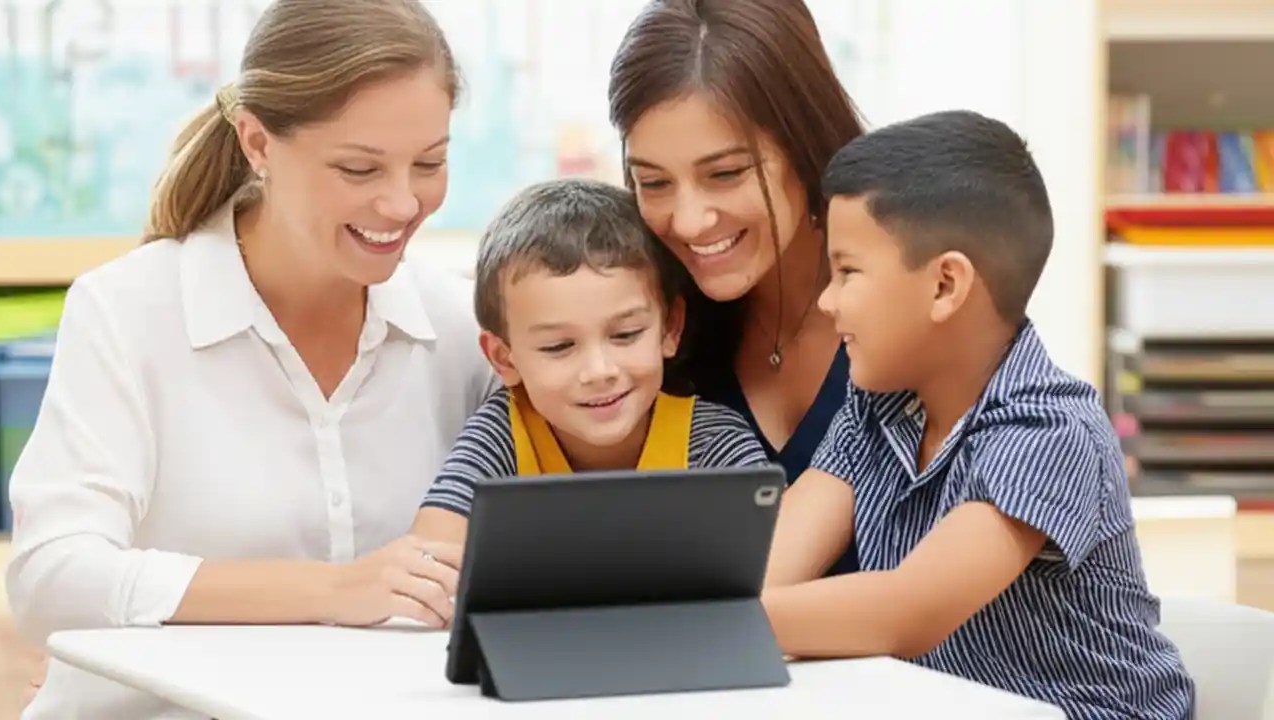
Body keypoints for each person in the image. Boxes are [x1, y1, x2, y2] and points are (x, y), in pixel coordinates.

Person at [6, 1, 494, 717]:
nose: (401, 202)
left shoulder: (459, 328)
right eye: (359, 168)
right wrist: (336, 591)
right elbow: (51, 581)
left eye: (430, 163)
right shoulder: (129, 311)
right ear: (258, 143)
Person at [760, 110, 1195, 718]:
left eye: (847, 271)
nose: (828, 302)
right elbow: (769, 568)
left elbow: (908, 611)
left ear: (945, 286)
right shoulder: (874, 407)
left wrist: (704, 618)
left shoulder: (1050, 429)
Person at [608, 0, 863, 574]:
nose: (691, 221)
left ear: (804, 146)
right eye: (653, 182)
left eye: (725, 174)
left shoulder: (912, 304)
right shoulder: (645, 329)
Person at [413, 178, 770, 541]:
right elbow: (430, 554)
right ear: (504, 359)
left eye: (626, 335)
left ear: (670, 329)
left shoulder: (713, 443)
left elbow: (772, 562)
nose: (600, 372)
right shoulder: (501, 436)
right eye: (558, 347)